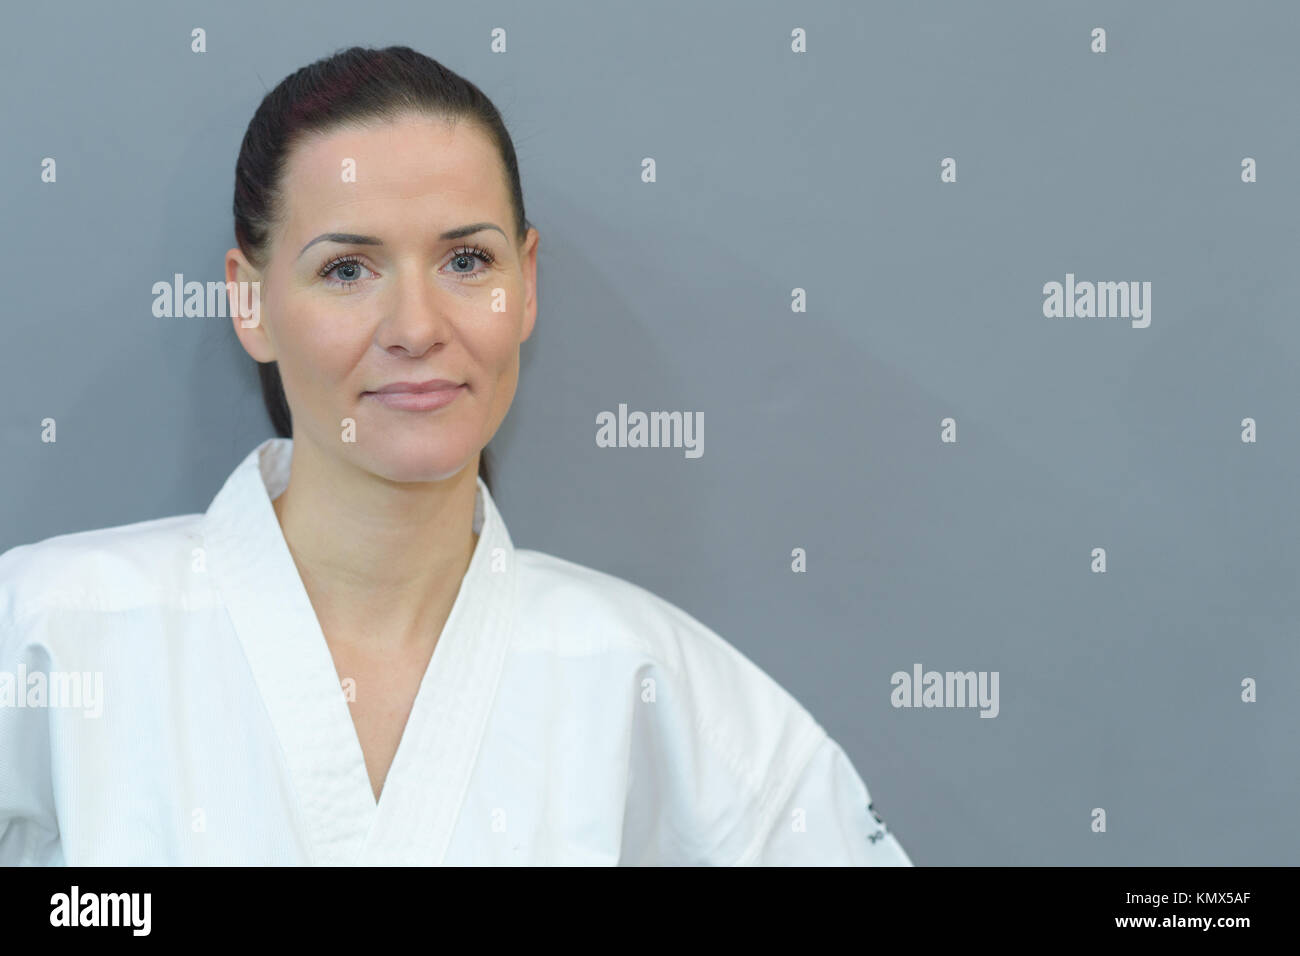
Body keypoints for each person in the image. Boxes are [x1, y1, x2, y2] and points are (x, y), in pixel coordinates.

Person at [0, 45, 911, 866]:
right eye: (348, 270)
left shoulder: (653, 687)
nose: (417, 329)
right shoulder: (52, 637)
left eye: (467, 262)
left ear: (527, 285)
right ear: (251, 303)